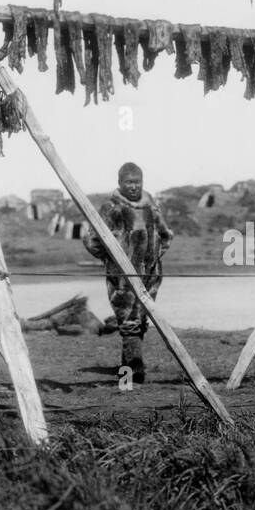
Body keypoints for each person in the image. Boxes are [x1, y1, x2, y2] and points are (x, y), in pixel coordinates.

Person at [81, 162, 173, 382]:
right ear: (120, 183)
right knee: (128, 322)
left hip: (150, 274)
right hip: (122, 278)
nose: (133, 187)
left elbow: (166, 235)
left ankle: (130, 369)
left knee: (141, 319)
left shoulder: (152, 206)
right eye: (128, 182)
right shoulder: (111, 208)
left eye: (137, 182)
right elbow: (91, 239)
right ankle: (131, 374)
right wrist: (111, 260)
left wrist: (154, 256)